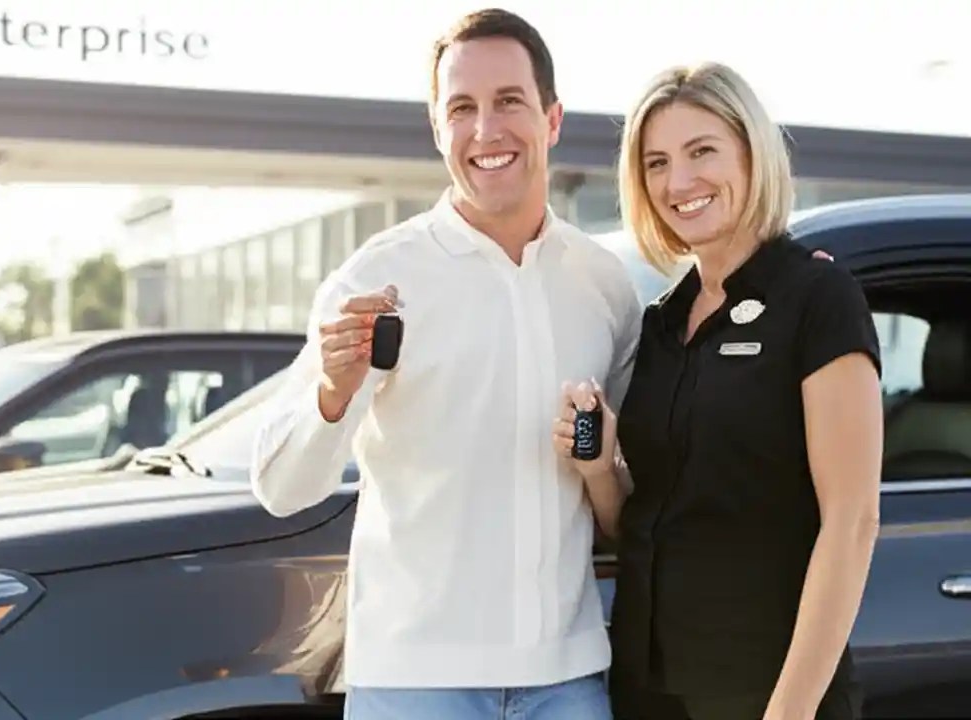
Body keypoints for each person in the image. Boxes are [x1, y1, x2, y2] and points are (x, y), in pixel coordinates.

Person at [249, 8, 643, 720]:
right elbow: (281, 487)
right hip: (414, 685)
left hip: (569, 678)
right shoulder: (375, 277)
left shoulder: (604, 284)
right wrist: (333, 395)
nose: (486, 131)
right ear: (437, 129)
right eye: (462, 108)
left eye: (509, 102)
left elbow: (628, 494)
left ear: (552, 119)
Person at [551, 62, 882, 719]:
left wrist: (787, 713)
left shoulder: (817, 297)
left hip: (767, 689)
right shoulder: (664, 319)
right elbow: (644, 524)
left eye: (702, 151)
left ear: (750, 152)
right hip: (649, 687)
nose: (679, 182)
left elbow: (852, 524)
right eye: (656, 162)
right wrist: (598, 469)